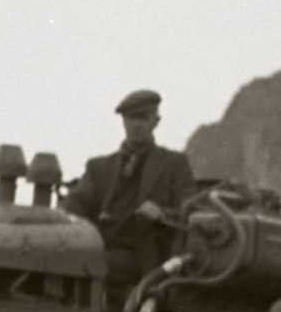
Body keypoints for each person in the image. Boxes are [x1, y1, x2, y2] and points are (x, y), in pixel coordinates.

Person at [64, 89, 196, 282]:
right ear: (123, 121)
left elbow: (191, 211)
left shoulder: (174, 164)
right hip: (100, 246)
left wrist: (162, 214)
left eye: (143, 118)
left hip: (146, 257)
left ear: (155, 121)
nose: (137, 125)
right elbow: (74, 205)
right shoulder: (99, 167)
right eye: (131, 118)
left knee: (92, 261)